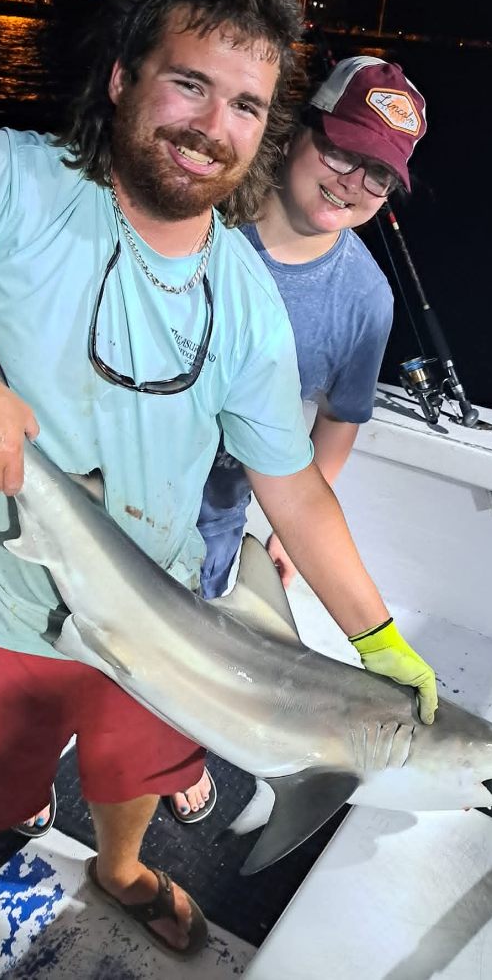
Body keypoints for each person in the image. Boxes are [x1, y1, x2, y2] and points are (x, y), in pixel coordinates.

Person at [0, 0, 437, 979]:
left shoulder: (241, 296)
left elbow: (288, 485)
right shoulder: (5, 180)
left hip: (161, 608)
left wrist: (376, 638)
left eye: (244, 105)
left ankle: (119, 868)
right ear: (122, 76)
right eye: (189, 84)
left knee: (134, 771)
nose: (212, 126)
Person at [169, 55, 428, 822]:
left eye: (376, 176)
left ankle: (170, 749)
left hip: (219, 508)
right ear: (295, 130)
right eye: (341, 151)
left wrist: (296, 527)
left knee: (188, 646)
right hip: (112, 466)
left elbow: (342, 412)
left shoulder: (366, 299)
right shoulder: (194, 217)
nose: (350, 183)